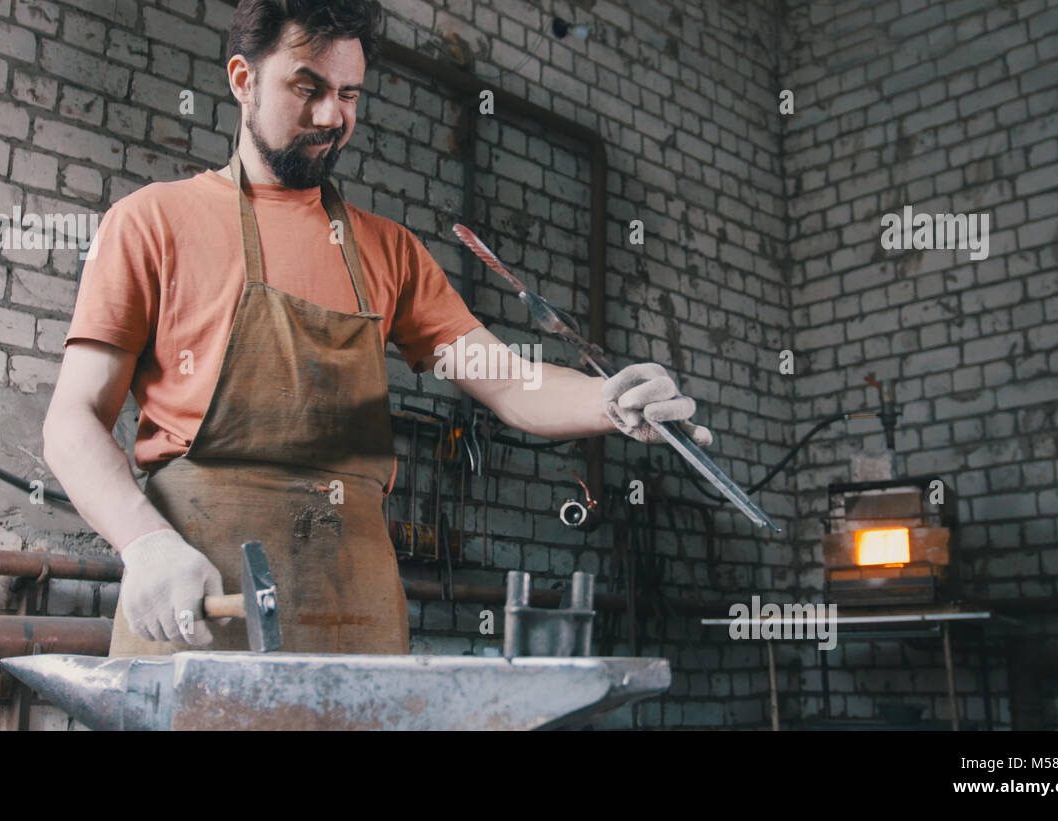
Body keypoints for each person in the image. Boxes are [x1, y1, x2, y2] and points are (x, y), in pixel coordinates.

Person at [42, 0, 714, 656]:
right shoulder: (151, 222)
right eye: (307, 87)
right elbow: (73, 421)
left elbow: (508, 382)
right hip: (201, 604)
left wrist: (608, 402)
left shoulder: (388, 251)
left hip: (353, 610)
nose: (333, 115)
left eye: (350, 94)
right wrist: (144, 542)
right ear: (243, 80)